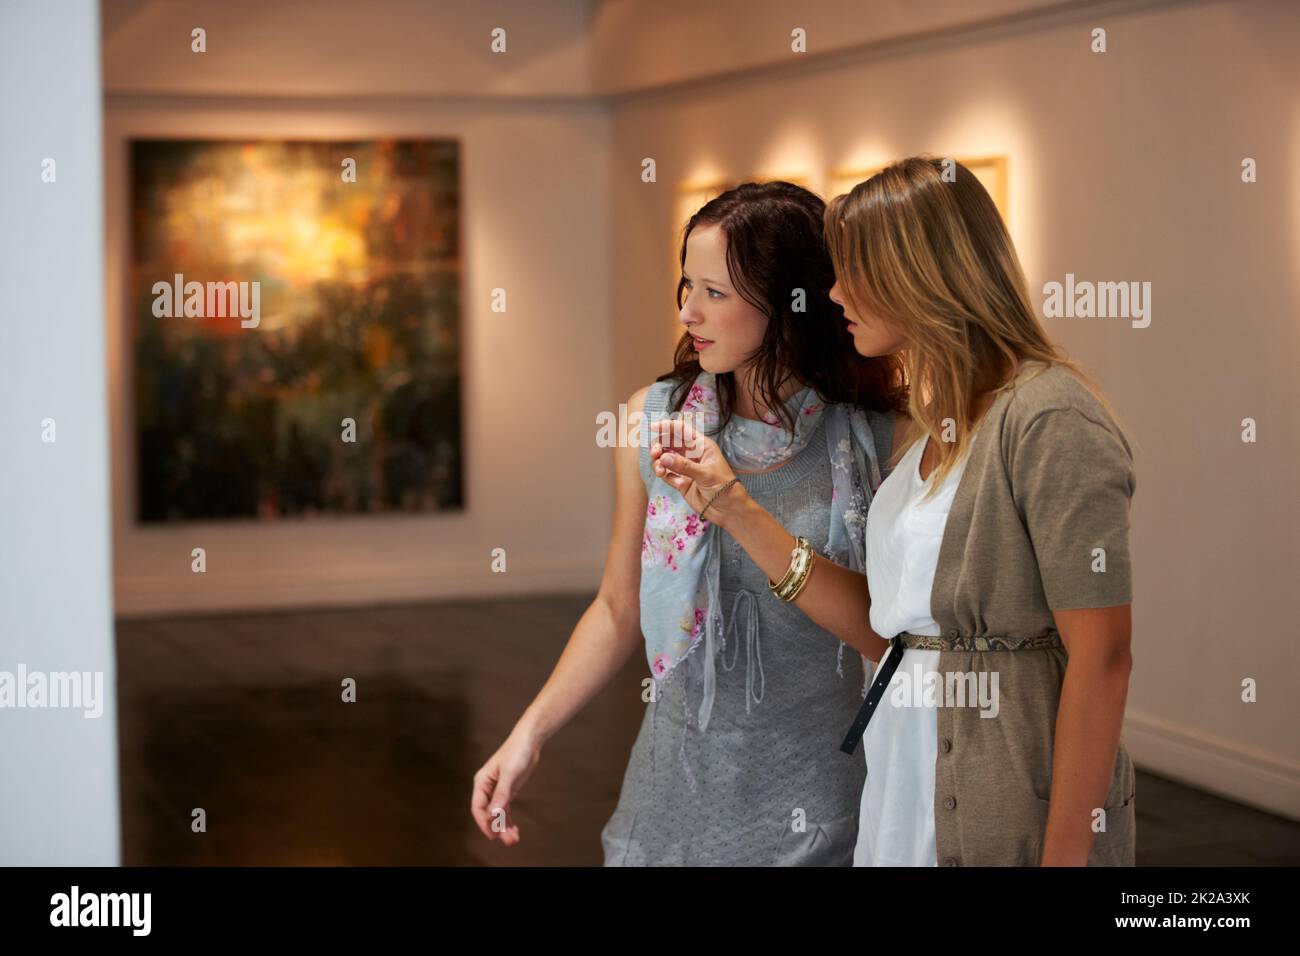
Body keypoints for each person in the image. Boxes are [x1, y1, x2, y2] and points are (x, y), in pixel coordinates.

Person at [655, 157, 1137, 866]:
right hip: (904, 783)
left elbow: (1104, 657)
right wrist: (734, 508)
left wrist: (1066, 854)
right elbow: (892, 630)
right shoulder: (930, 432)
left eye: (855, 270)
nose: (836, 291)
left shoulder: (1047, 416)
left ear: (917, 275)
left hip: (1000, 788)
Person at [470, 180, 904, 864]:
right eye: (685, 286)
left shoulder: (878, 441)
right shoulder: (652, 421)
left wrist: (739, 511)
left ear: (789, 303)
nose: (687, 311)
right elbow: (617, 607)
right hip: (675, 793)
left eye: (715, 293)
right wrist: (529, 733)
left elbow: (887, 634)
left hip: (821, 804)